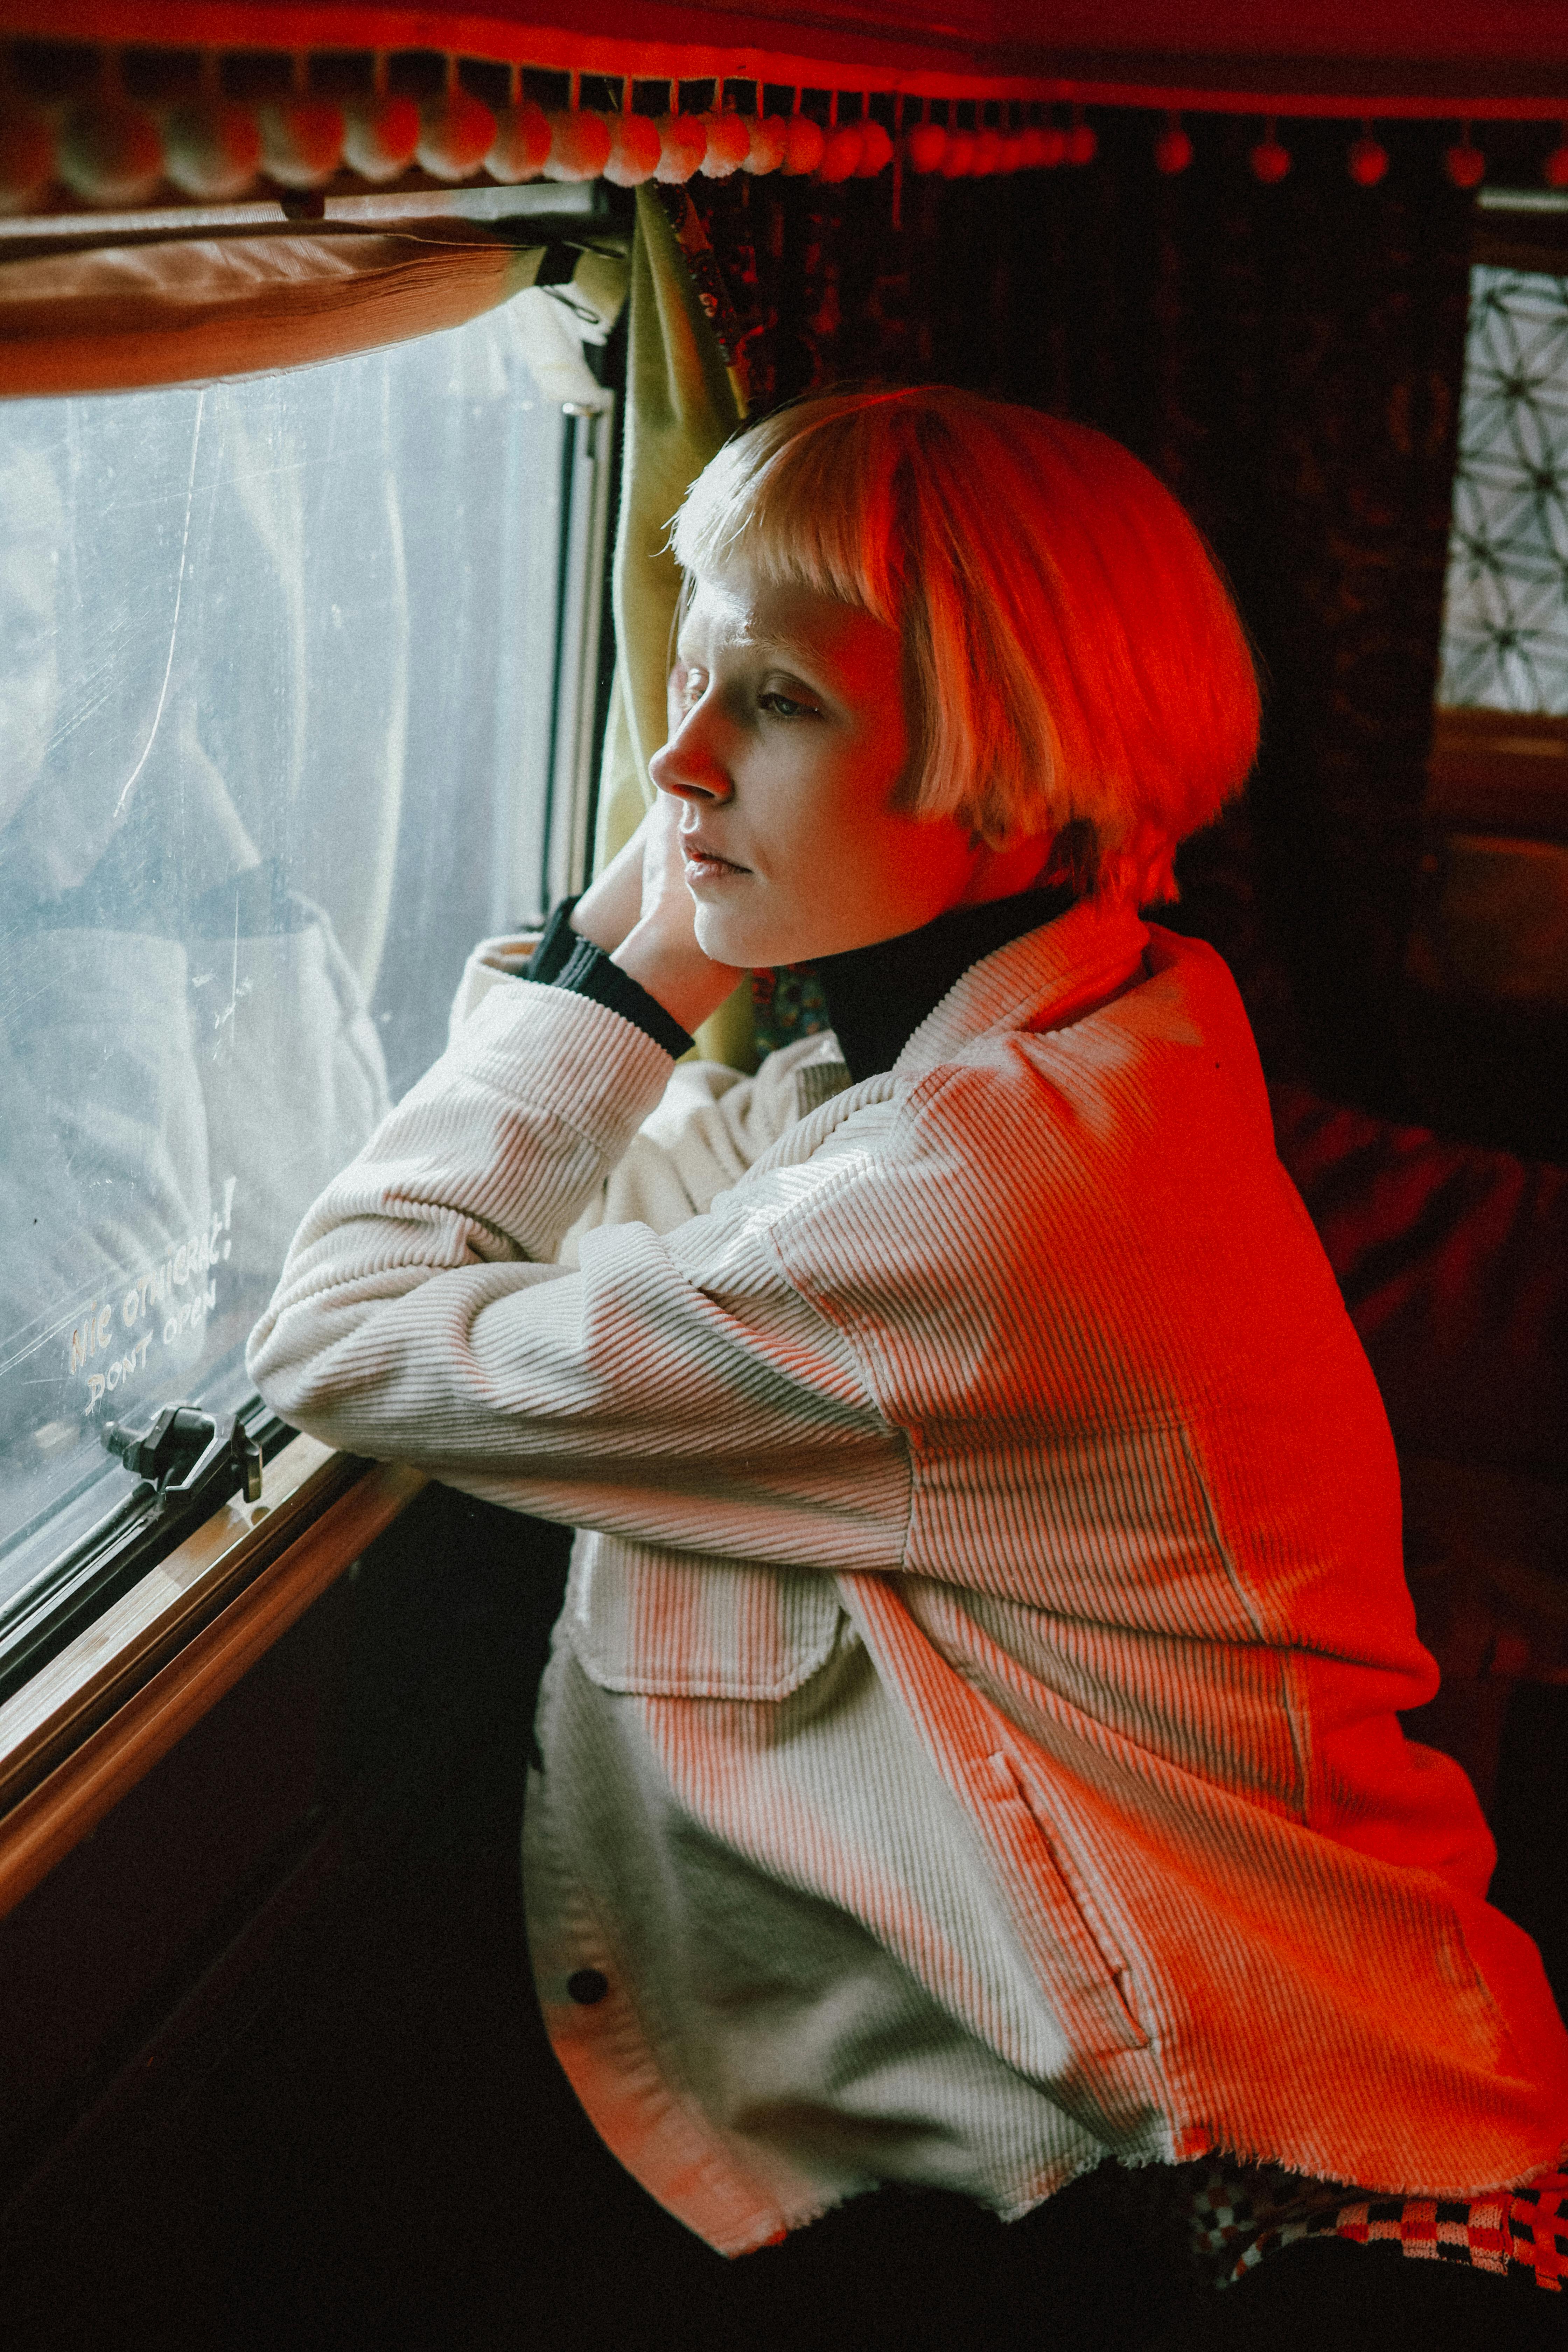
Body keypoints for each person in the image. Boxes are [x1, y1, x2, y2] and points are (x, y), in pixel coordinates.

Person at [248, 387, 1568, 2344]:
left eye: (775, 701)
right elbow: (643, 1218)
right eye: (687, 675)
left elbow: (348, 1333)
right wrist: (652, 942)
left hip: (1331, 2207)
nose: (677, 764)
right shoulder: (1074, 1033)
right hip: (1174, 2130)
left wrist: (631, 973)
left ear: (1019, 779)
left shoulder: (998, 1201)